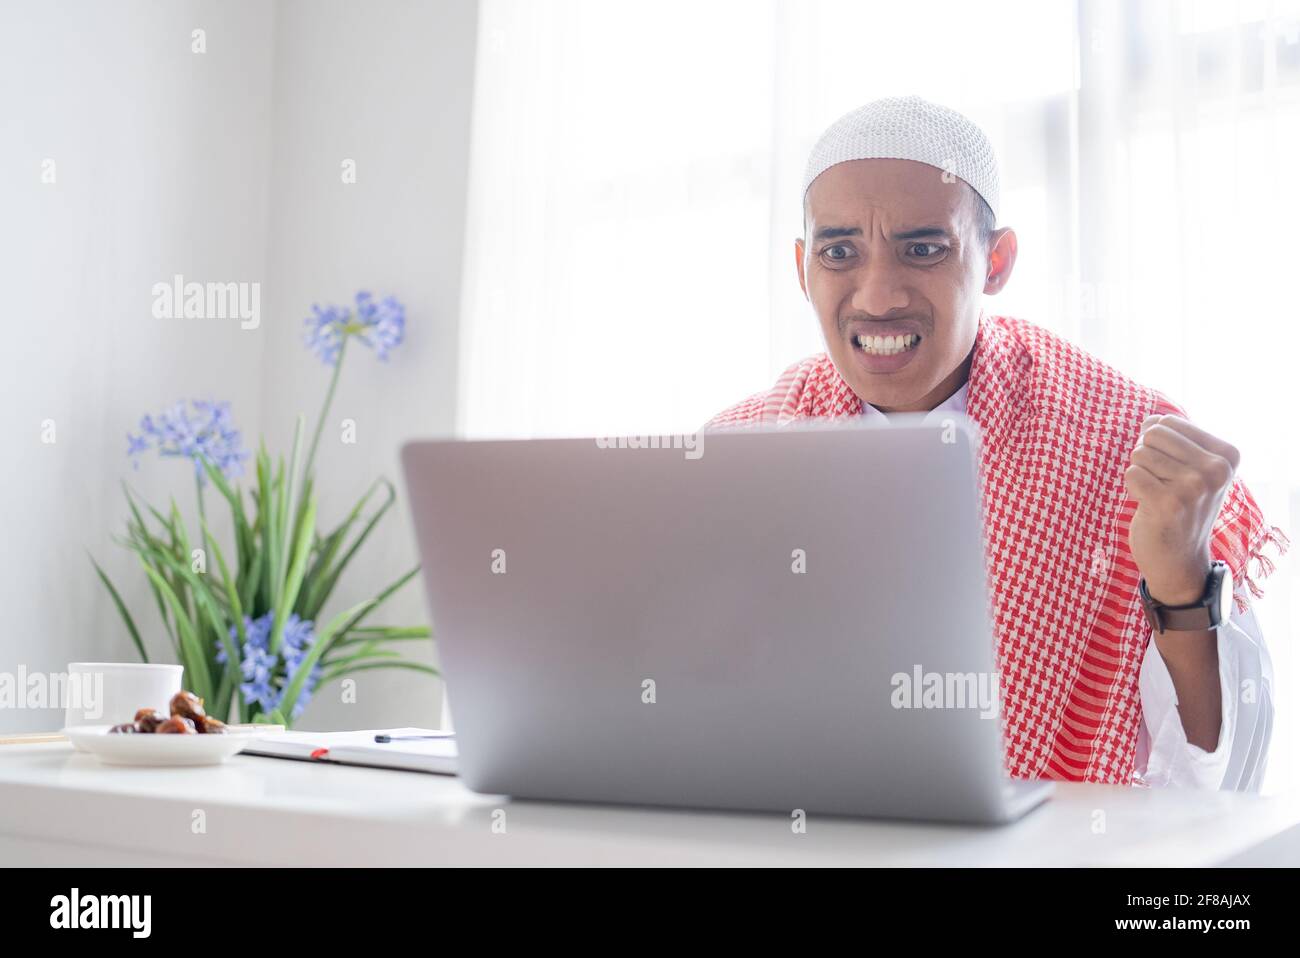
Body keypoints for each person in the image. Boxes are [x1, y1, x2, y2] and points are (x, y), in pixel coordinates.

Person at [708, 96, 1289, 789]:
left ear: (997, 260)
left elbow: (1216, 777)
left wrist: (1179, 576)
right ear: (804, 267)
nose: (878, 295)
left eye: (923, 249)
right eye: (840, 253)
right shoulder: (733, 454)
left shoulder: (1124, 444)